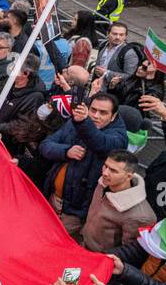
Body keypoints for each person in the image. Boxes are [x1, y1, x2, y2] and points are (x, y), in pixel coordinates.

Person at [39, 91, 128, 235]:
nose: (96, 116)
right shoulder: (76, 121)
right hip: (52, 198)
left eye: (103, 113)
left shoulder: (118, 137)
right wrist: (66, 151)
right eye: (93, 110)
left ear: (113, 116)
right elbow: (46, 145)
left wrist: (83, 122)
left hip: (75, 212)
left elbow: (101, 143)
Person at [79, 149, 158, 252]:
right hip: (83, 243)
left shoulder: (141, 216)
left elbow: (128, 252)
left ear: (128, 176)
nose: (105, 173)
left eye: (113, 170)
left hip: (99, 257)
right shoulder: (104, 183)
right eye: (105, 166)